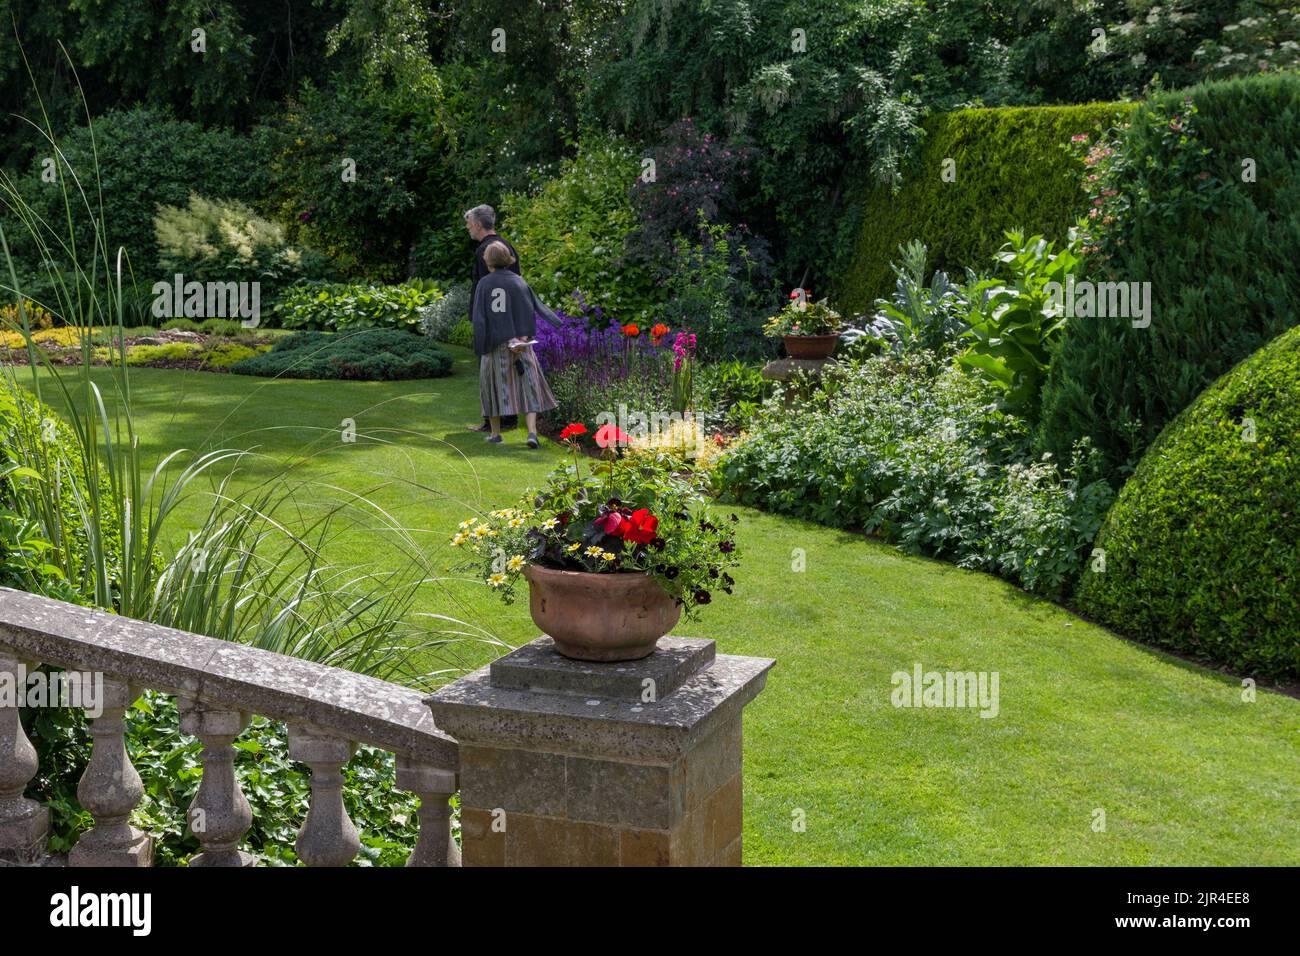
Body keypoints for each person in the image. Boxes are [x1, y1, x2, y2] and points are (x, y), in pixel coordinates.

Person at [471, 241, 557, 448]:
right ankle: (532, 433)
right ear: (507, 259)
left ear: (488, 260)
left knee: (491, 387)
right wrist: (523, 339)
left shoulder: (484, 284)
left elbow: (480, 318)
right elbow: (528, 312)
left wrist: (481, 344)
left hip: (494, 346)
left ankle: (495, 433)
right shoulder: (519, 281)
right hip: (520, 345)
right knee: (528, 386)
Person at [464, 204, 521, 433]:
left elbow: (485, 287)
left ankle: (493, 421)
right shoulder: (507, 246)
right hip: (507, 318)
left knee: (488, 370)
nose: (468, 229)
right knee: (504, 368)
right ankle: (507, 418)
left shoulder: (484, 251)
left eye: (469, 225)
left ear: (478, 224)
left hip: (490, 319)